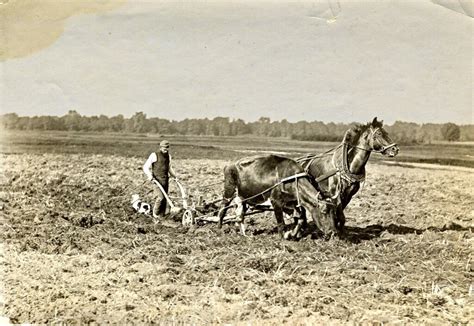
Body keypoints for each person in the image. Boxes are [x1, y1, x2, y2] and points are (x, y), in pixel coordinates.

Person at [143, 140, 178, 219]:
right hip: (157, 179)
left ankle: (162, 216)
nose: (165, 149)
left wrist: (175, 176)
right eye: (164, 147)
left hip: (165, 179)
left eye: (167, 148)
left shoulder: (168, 156)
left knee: (165, 198)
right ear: (160, 147)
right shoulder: (154, 155)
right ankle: (155, 214)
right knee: (160, 198)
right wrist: (150, 176)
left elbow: (169, 168)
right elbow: (145, 167)